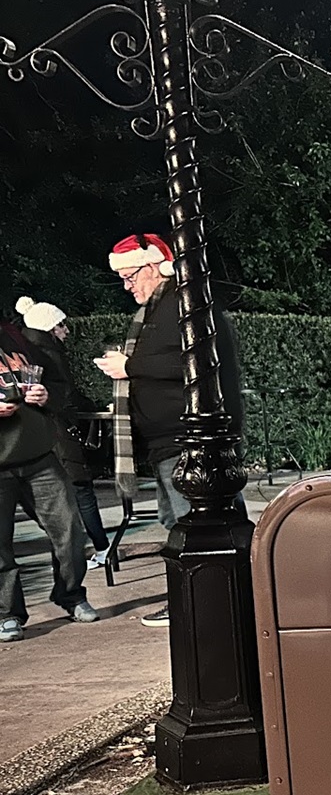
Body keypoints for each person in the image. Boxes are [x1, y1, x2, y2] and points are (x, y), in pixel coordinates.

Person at [94, 232, 245, 628]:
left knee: (198, 528)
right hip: (172, 441)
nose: (127, 287)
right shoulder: (162, 308)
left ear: (155, 266)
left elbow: (197, 362)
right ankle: (200, 600)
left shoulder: (183, 303)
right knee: (181, 525)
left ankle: (206, 607)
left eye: (130, 277)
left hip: (189, 441)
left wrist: (130, 367)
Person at [0, 326, 99, 641]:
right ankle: (7, 614)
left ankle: (71, 595)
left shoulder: (16, 336)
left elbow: (58, 384)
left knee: (70, 528)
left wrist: (47, 396)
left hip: (40, 457)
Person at [16, 297, 111, 568]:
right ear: (50, 328)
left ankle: (82, 551)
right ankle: (99, 548)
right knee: (81, 490)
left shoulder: (24, 350)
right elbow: (66, 396)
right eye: (61, 325)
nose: (66, 330)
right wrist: (91, 407)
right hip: (59, 434)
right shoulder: (49, 353)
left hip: (39, 436)